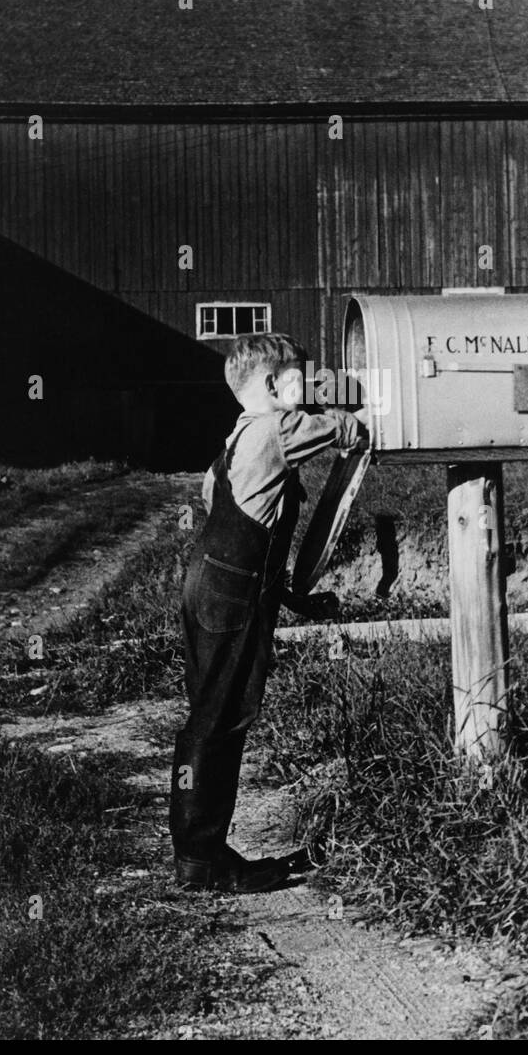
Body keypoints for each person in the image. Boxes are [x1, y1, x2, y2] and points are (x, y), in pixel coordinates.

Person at [170, 332, 369, 893]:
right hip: (230, 593)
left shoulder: (231, 443)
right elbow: (344, 429)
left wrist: (290, 594)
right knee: (221, 718)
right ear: (272, 384)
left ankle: (199, 851)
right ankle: (203, 860)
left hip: (207, 583)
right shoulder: (276, 427)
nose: (305, 391)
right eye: (298, 380)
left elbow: (244, 524)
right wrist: (361, 414)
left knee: (208, 712)